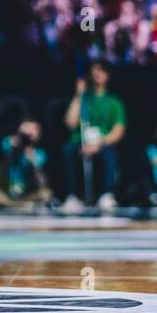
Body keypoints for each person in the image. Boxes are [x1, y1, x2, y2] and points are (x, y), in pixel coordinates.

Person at [61, 60, 126, 213]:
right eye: (93, 70)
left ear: (107, 75)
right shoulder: (84, 99)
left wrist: (99, 144)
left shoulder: (114, 102)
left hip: (102, 143)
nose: (96, 73)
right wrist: (78, 95)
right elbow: (70, 122)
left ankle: (106, 195)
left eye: (101, 70)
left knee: (110, 153)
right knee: (68, 149)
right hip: (81, 142)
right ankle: (73, 196)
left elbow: (118, 131)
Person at [0, 119, 52, 210]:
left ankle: (19, 204)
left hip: (27, 192)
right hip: (8, 191)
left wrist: (33, 163)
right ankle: (19, 205)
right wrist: (12, 152)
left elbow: (42, 182)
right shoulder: (8, 144)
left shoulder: (40, 154)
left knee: (46, 193)